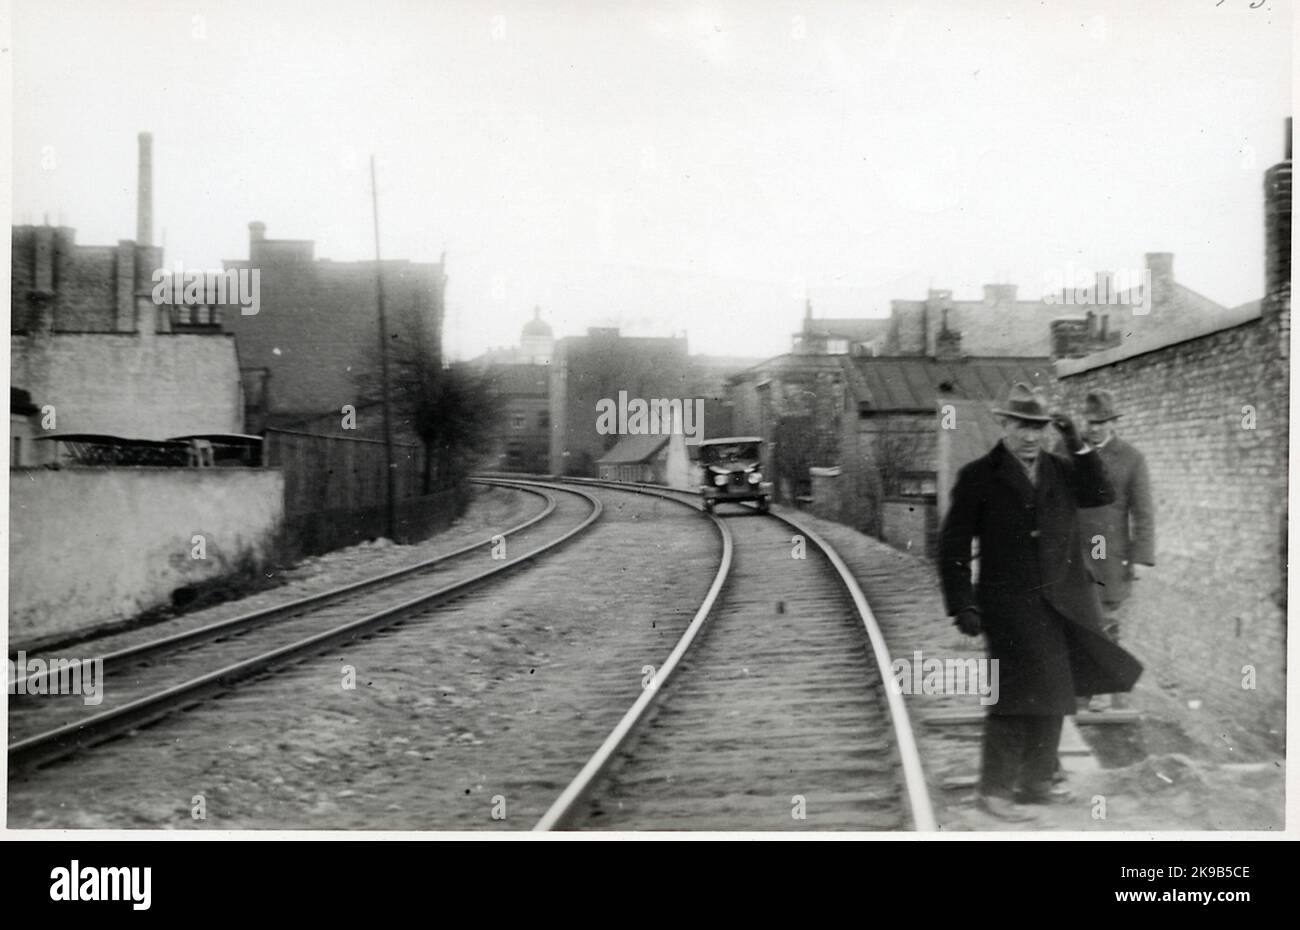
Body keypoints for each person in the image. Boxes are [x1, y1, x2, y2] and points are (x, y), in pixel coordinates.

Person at [938, 383, 1143, 822]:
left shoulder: (1061, 469)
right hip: (1007, 605)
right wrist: (961, 604)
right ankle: (993, 791)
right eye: (1022, 427)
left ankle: (1035, 785)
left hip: (1062, 603)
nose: (1031, 436)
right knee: (1011, 698)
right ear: (1005, 425)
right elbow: (952, 545)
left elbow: (1101, 495)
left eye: (1039, 428)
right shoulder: (978, 476)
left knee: (1055, 696)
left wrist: (1075, 442)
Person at [1076, 390, 1155, 712]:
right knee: (1074, 617)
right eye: (1090, 422)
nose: (1095, 428)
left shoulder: (1131, 458)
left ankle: (1102, 690)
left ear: (1112, 422)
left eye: (1101, 422)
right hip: (1073, 549)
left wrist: (1141, 557)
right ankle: (1076, 687)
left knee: (1106, 619)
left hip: (1110, 554)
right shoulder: (1068, 450)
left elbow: (1144, 511)